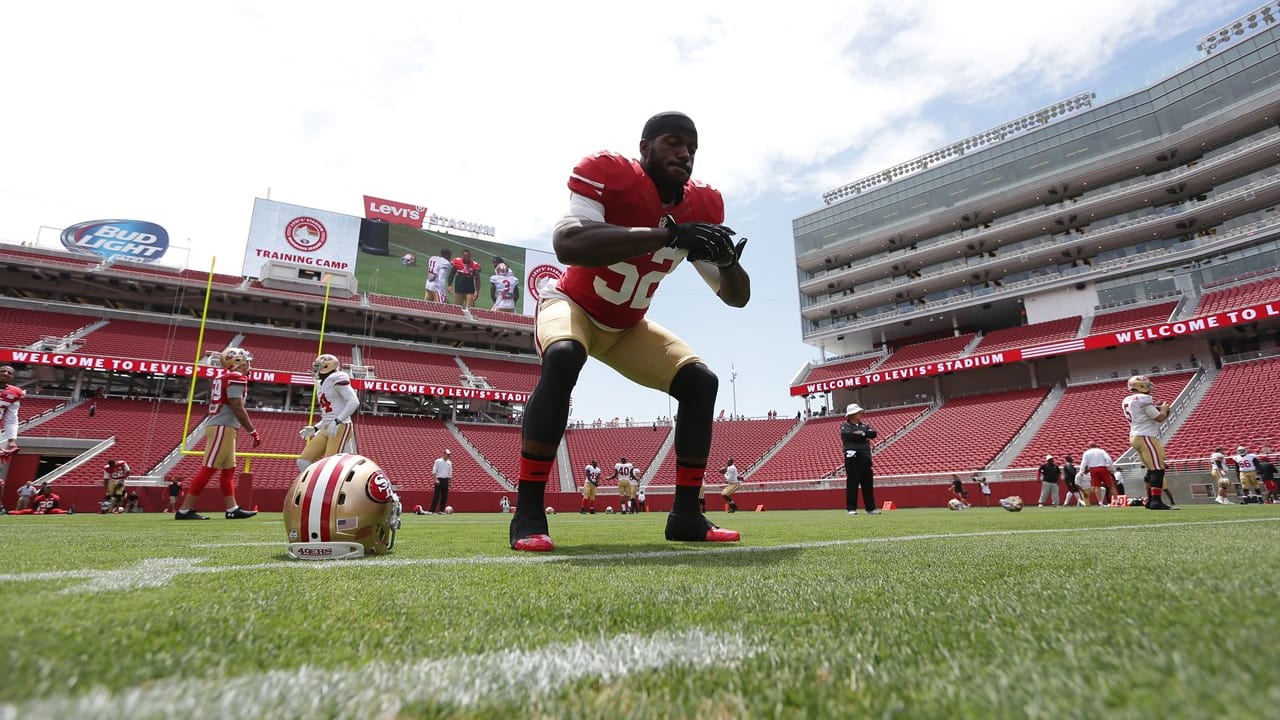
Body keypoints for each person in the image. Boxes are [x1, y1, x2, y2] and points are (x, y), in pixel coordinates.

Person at [508, 111, 750, 552]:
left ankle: (686, 515)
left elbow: (736, 298)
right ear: (645, 148)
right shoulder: (612, 175)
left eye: (692, 148)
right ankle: (527, 514)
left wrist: (728, 260)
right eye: (674, 142)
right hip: (573, 306)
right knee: (563, 356)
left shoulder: (700, 207)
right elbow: (569, 244)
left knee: (701, 383)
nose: (685, 154)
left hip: (626, 325)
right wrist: (665, 236)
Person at [174, 347, 261, 520]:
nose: (249, 364)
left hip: (224, 426)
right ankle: (184, 510)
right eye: (246, 360)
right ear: (238, 362)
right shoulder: (236, 377)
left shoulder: (224, 376)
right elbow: (237, 405)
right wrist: (252, 430)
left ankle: (232, 508)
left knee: (229, 469)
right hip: (222, 426)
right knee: (209, 468)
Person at [297, 354, 359, 472]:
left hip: (340, 426)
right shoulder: (321, 384)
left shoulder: (337, 377)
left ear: (327, 367)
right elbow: (330, 413)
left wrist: (337, 421)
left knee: (328, 466)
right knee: (303, 461)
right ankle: (314, 485)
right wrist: (316, 428)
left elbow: (353, 402)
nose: (315, 370)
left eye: (318, 367)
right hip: (326, 427)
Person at [1121, 374, 1172, 510]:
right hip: (1146, 436)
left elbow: (1143, 413)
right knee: (1158, 469)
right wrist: (1164, 410)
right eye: (1147, 385)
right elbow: (1159, 418)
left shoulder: (1127, 399)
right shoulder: (1143, 398)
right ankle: (1156, 501)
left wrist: (1157, 408)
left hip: (1135, 436)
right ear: (1141, 386)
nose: (1150, 387)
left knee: (1150, 470)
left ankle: (1150, 500)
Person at [840, 404, 879, 515]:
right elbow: (848, 436)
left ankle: (870, 508)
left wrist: (862, 433)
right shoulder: (845, 426)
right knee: (853, 483)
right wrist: (864, 436)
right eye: (858, 412)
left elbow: (873, 434)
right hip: (853, 457)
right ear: (852, 414)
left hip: (865, 457)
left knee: (868, 483)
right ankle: (851, 508)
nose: (861, 414)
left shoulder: (864, 425)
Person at [0, 365, 23, 506]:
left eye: (9, 372)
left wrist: (12, 441)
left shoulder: (14, 393)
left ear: (12, 377)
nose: (5, 373)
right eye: (3, 371)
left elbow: (11, 419)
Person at [1079, 442, 1117, 506]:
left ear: (1089, 447)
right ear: (1096, 445)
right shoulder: (1101, 451)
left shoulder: (1087, 452)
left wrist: (1081, 471)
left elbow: (1083, 463)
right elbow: (1109, 459)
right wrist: (1111, 468)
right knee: (1110, 485)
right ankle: (1116, 500)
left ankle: (1100, 502)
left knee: (1097, 486)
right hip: (1102, 468)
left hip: (1093, 469)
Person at [429, 449, 453, 515]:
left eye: (449, 455)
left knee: (444, 496)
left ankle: (441, 510)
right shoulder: (438, 461)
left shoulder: (449, 463)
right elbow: (434, 470)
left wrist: (450, 482)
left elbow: (450, 473)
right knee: (436, 495)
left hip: (445, 480)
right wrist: (435, 479)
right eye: (447, 454)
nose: (448, 456)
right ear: (444, 454)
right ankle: (432, 510)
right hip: (439, 479)